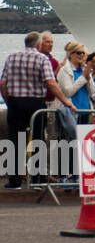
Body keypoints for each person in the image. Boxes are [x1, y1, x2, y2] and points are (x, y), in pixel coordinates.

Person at [1, 32, 75, 189]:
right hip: (35, 103)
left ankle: (14, 181)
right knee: (37, 140)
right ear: (39, 44)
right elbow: (51, 83)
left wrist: (9, 101)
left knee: (15, 140)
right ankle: (36, 180)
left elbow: (3, 83)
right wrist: (66, 101)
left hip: (15, 103)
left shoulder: (11, 57)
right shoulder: (42, 59)